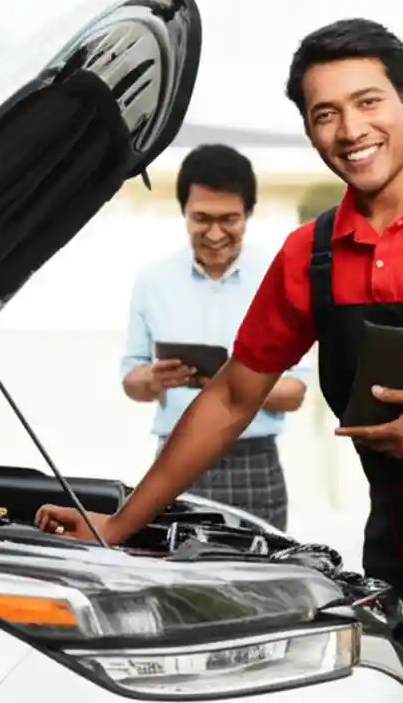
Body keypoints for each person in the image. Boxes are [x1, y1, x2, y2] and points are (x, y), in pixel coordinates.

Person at [38, 18, 403, 703]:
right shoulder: (310, 256)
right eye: (325, 114)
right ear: (309, 129)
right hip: (400, 548)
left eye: (368, 101)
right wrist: (119, 523)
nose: (351, 129)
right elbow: (232, 397)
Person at [118, 143, 308, 530]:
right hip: (173, 459)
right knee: (167, 568)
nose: (215, 233)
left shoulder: (279, 277)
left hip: (252, 462)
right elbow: (131, 381)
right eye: (201, 218)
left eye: (229, 219)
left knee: (259, 570)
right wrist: (154, 379)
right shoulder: (153, 281)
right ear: (184, 212)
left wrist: (228, 382)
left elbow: (295, 393)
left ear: (249, 213)